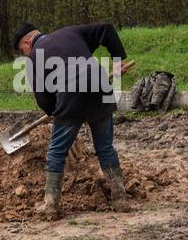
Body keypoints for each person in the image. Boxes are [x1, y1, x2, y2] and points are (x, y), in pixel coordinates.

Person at [11, 21, 131, 219]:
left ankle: (51, 206)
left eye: (22, 50)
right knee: (105, 148)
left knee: (57, 152)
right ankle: (120, 199)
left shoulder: (34, 57)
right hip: (100, 90)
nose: (24, 54)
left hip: (70, 100)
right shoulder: (71, 32)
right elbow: (107, 29)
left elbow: (42, 96)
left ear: (26, 42)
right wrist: (117, 64)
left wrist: (54, 111)